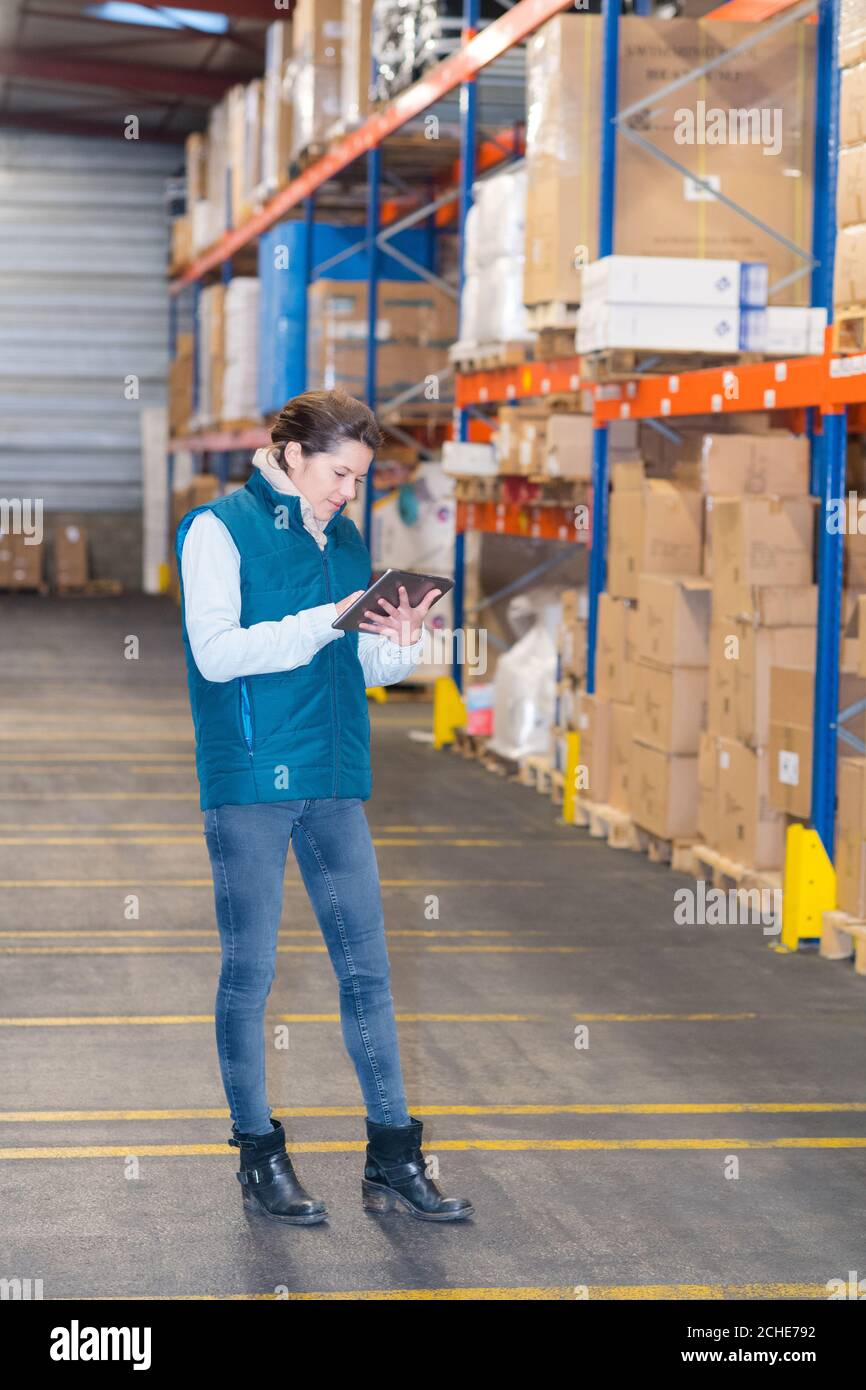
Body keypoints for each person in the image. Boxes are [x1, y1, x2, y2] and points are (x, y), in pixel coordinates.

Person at [175, 388, 473, 1225]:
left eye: (359, 478)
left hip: (336, 777)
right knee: (252, 973)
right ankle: (259, 1158)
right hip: (251, 779)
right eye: (339, 473)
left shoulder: (343, 539)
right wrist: (323, 619)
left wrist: (396, 646)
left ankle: (393, 1155)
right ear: (294, 454)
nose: (349, 491)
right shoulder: (216, 530)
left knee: (368, 974)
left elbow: (353, 666)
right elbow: (218, 651)